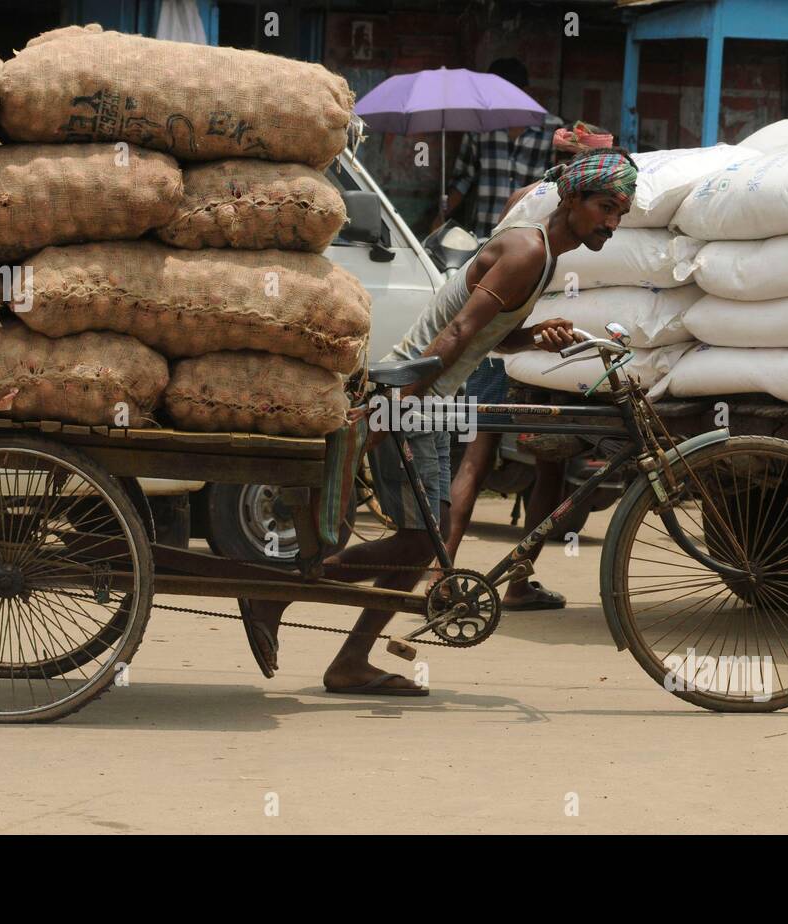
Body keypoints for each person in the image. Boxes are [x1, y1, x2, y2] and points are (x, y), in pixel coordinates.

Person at [240, 148, 638, 695]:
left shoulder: (542, 255)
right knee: (417, 543)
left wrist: (532, 336)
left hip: (425, 393)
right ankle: (278, 595)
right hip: (417, 393)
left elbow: (479, 335)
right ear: (571, 198)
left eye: (621, 212)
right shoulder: (527, 250)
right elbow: (452, 337)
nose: (612, 223)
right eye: (605, 207)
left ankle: (349, 660)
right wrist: (399, 405)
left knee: (419, 541)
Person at [444, 122, 622, 611]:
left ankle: (457, 577)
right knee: (541, 465)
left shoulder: (525, 197)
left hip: (516, 341)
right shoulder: (563, 220)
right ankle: (506, 581)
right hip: (513, 343)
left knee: (480, 461)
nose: (613, 217)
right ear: (581, 181)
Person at [438, 58, 562, 238]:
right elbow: (463, 180)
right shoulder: (479, 129)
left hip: (531, 234)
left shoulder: (552, 130)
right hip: (485, 234)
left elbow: (558, 182)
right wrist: (441, 217)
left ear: (524, 92)